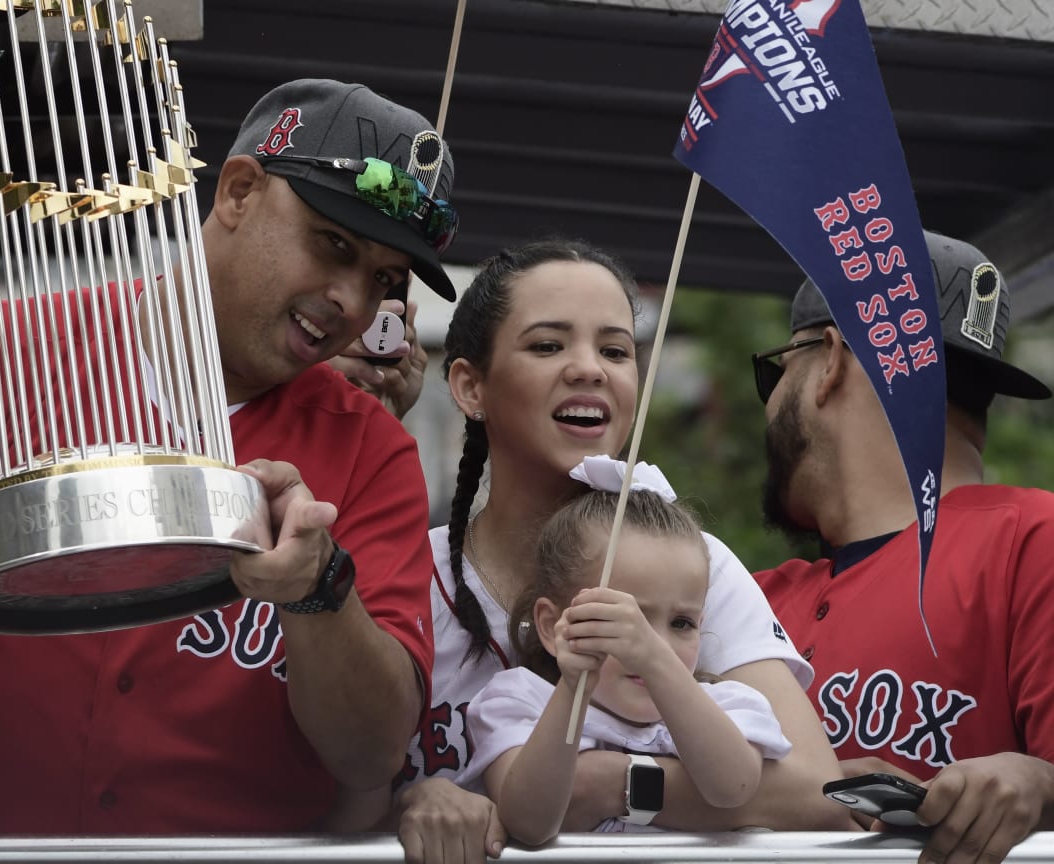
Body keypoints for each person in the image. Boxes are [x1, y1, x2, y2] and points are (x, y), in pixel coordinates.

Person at [0, 78, 459, 833]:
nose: (350, 300)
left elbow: (371, 755)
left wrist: (318, 591)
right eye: (332, 244)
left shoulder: (373, 454)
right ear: (237, 192)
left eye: (384, 281)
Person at [346, 237, 852, 864]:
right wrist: (413, 800)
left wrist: (612, 784)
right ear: (470, 387)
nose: (590, 369)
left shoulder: (695, 558)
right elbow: (336, 785)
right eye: (548, 345)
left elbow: (818, 791)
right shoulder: (402, 568)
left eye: (615, 350)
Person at [753, 230, 1054, 864]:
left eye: (774, 374)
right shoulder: (742, 594)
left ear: (829, 360)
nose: (770, 403)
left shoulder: (1033, 540)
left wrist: (1042, 784)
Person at [461, 472, 792, 844]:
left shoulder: (726, 705)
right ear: (554, 626)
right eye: (623, 619)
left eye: (681, 623)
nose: (653, 644)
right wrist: (574, 690)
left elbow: (733, 787)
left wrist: (656, 662)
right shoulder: (519, 702)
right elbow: (529, 822)